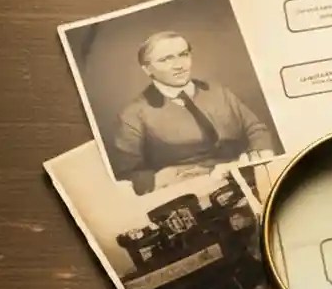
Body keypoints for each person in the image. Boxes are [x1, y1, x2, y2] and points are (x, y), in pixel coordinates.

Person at [111, 31, 279, 194]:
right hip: (193, 194)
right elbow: (128, 174)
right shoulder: (133, 114)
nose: (179, 65)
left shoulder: (217, 91)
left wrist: (260, 156)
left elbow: (256, 129)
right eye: (165, 59)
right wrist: (163, 180)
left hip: (246, 177)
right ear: (147, 69)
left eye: (183, 54)